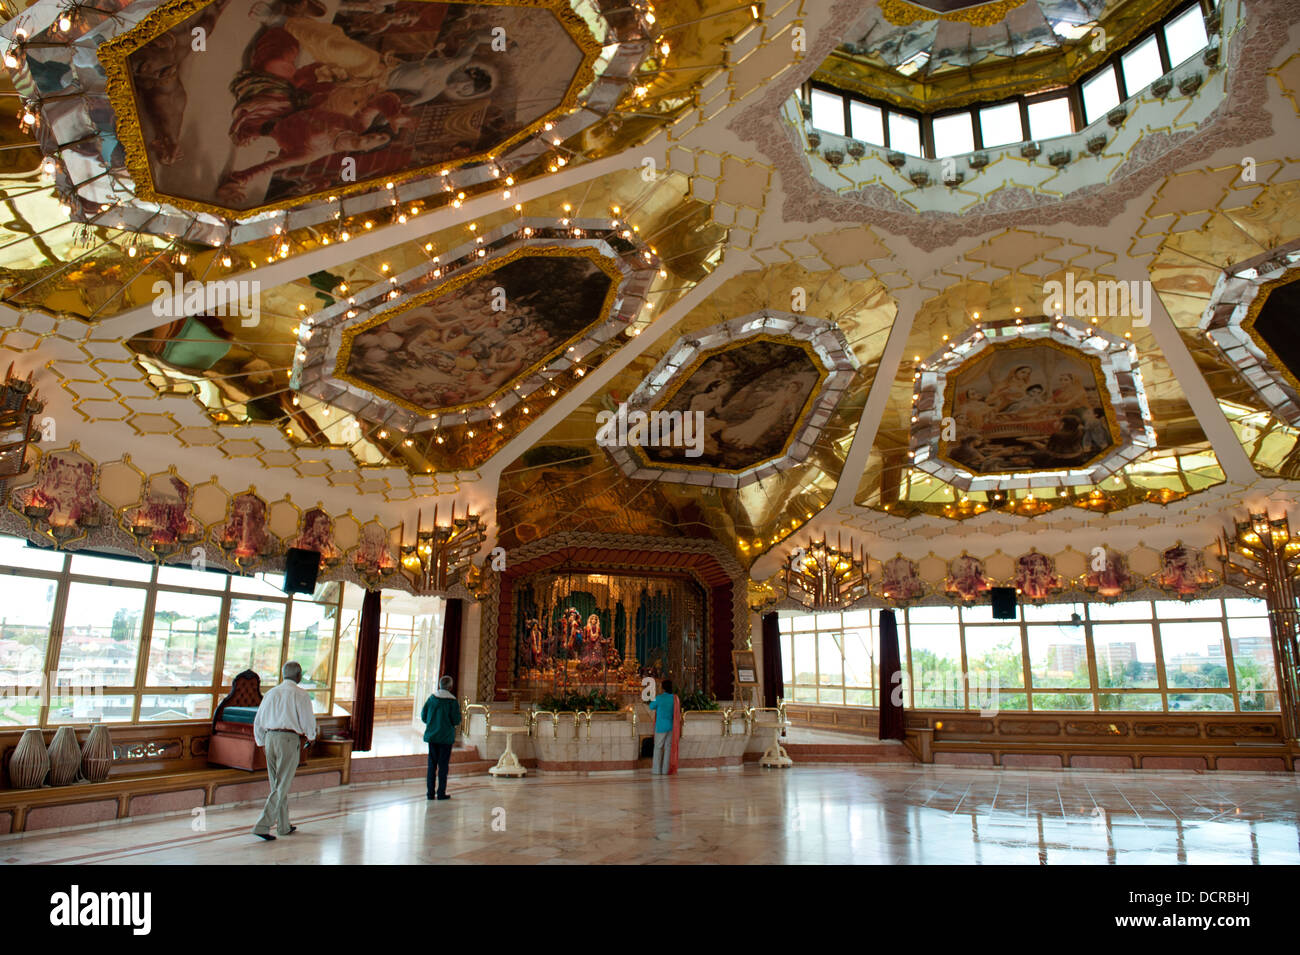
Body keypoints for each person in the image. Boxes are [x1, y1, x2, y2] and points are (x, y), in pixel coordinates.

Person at [251, 661, 318, 841]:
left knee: (276, 785)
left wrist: (262, 743)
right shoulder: (301, 694)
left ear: (283, 674)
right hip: (288, 740)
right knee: (282, 785)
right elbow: (307, 720)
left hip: (270, 739)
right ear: (299, 676)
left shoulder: (271, 693)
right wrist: (311, 737)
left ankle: (283, 826)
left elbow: (258, 721)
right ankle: (262, 825)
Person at [421, 675, 461, 801]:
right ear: (450, 686)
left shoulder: (432, 699)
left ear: (440, 685)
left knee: (431, 765)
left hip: (432, 736)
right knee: (443, 766)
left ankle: (430, 793)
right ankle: (441, 792)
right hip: (445, 738)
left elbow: (423, 716)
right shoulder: (452, 701)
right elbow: (456, 720)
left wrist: (432, 723)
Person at [648, 678, 680, 776]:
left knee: (658, 747)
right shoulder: (675, 698)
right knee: (668, 748)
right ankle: (665, 770)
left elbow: (651, 706)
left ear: (662, 688)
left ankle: (657, 770)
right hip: (671, 726)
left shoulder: (659, 698)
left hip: (661, 726)